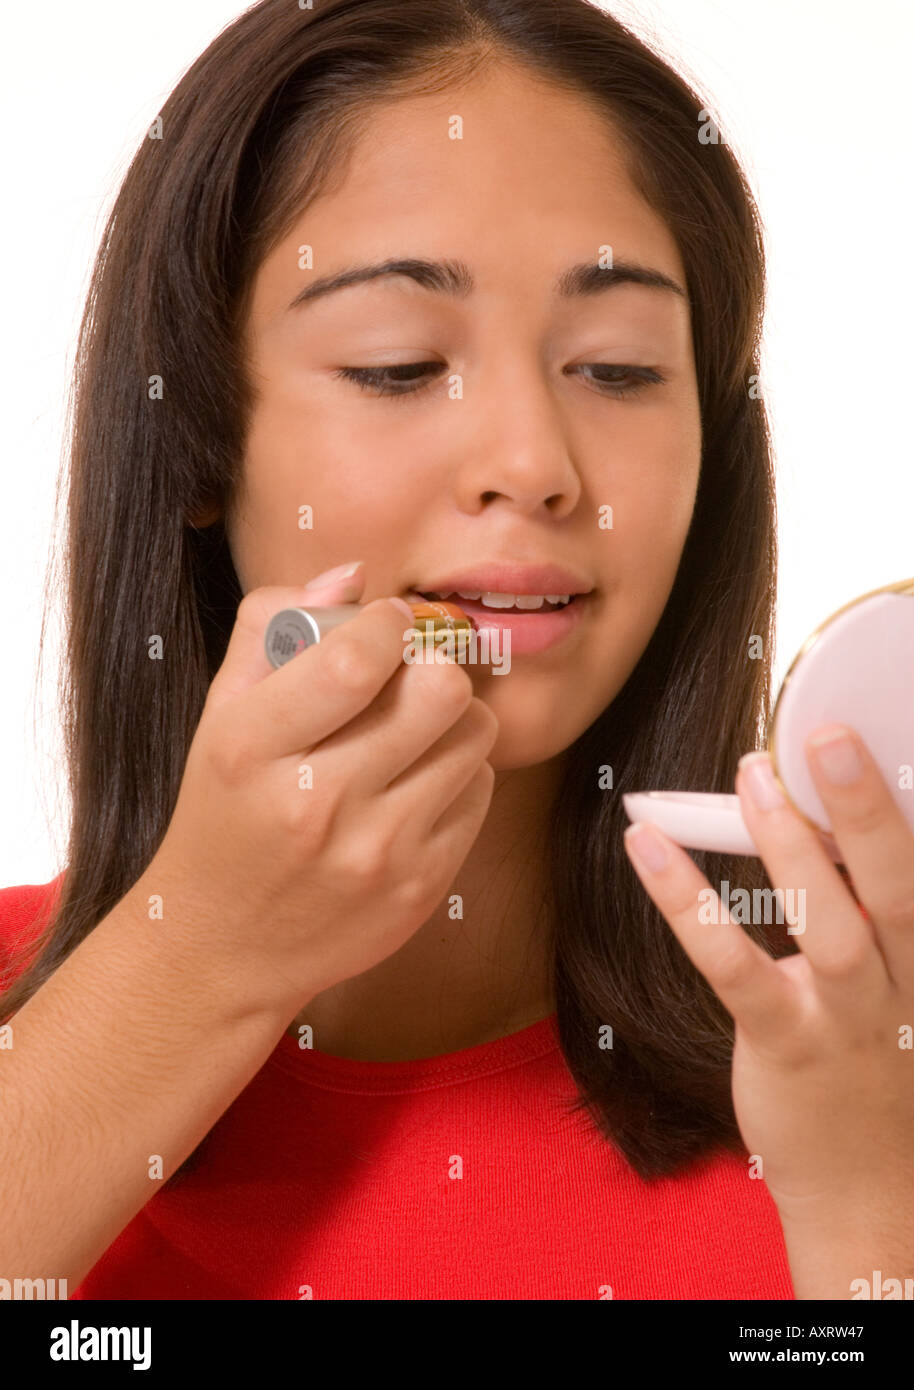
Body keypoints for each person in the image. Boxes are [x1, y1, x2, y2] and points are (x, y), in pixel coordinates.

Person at [2, 0, 910, 1302]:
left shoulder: (859, 1076)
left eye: (614, 367)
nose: (533, 466)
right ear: (197, 440)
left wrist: (873, 1209)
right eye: (396, 363)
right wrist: (195, 956)